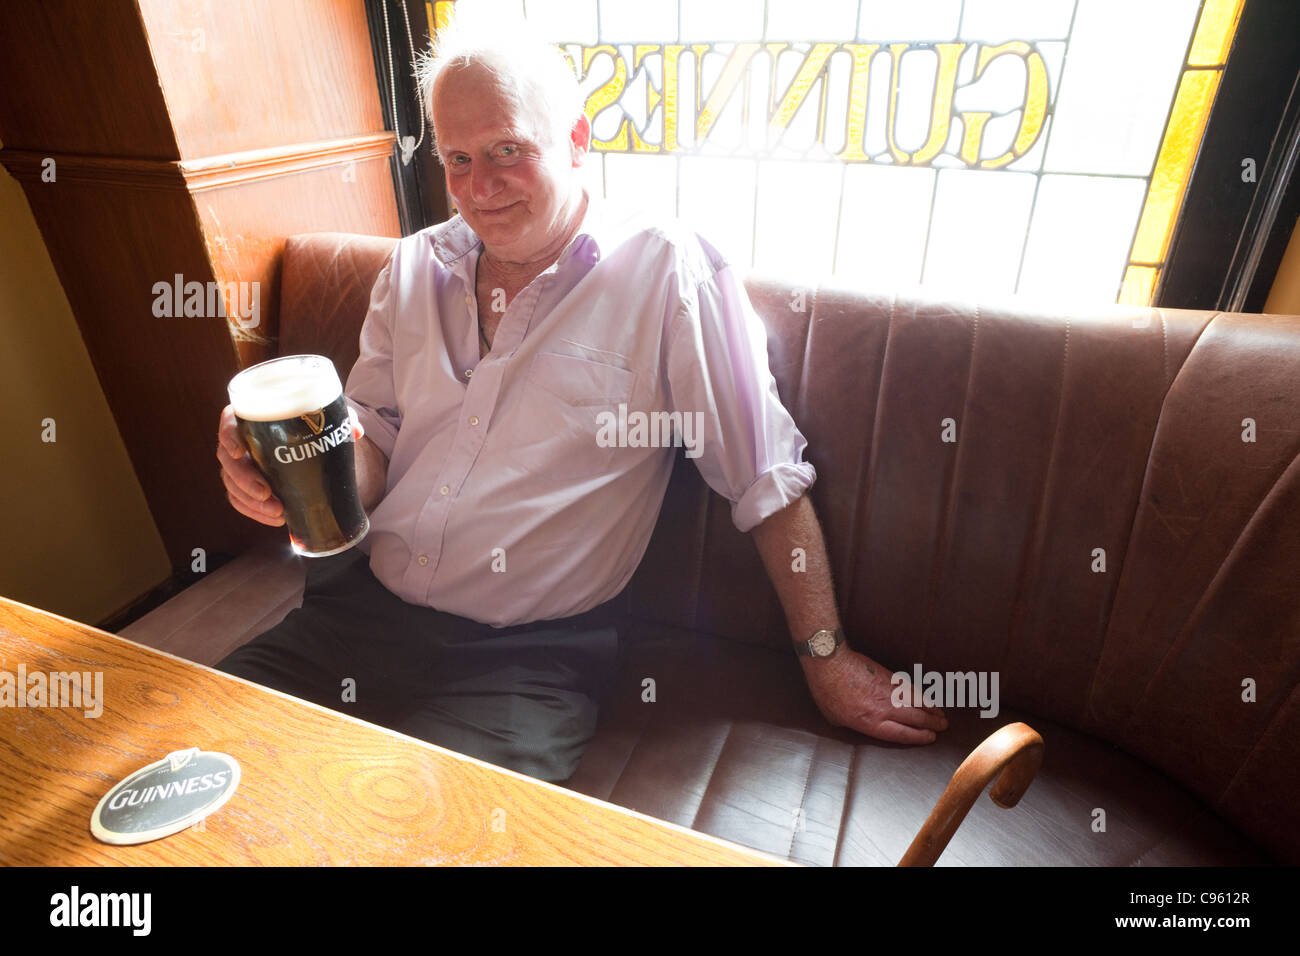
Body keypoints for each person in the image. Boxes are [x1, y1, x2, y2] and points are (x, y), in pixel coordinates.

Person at [214, 15, 946, 782]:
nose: (478, 188)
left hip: (525, 659)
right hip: (351, 610)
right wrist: (288, 466)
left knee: (423, 838)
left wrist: (827, 660)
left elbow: (766, 479)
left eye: (507, 151)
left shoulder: (668, 272)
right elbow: (379, 443)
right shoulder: (413, 267)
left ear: (576, 139)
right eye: (457, 159)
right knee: (200, 766)